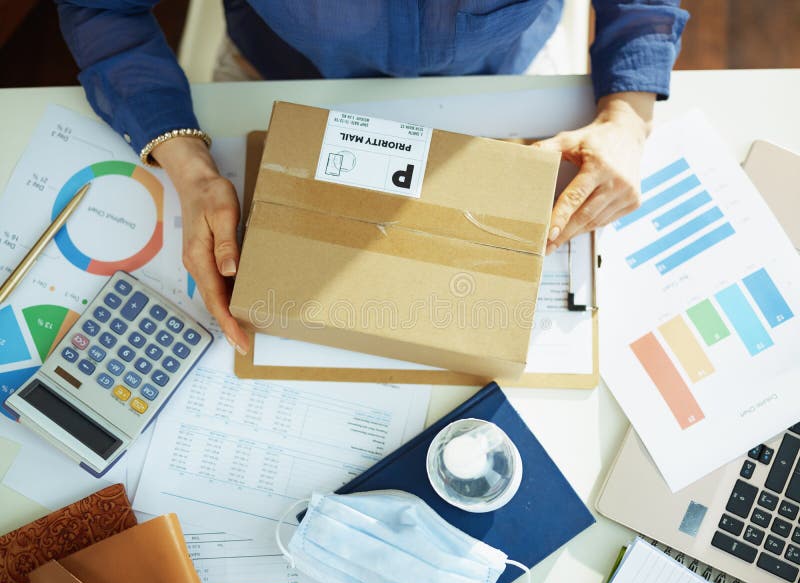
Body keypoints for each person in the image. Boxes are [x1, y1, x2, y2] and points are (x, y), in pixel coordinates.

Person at [54, 0, 688, 354]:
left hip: (503, 84)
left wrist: (627, 115)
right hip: (277, 81)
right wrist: (189, 168)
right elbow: (101, 6)